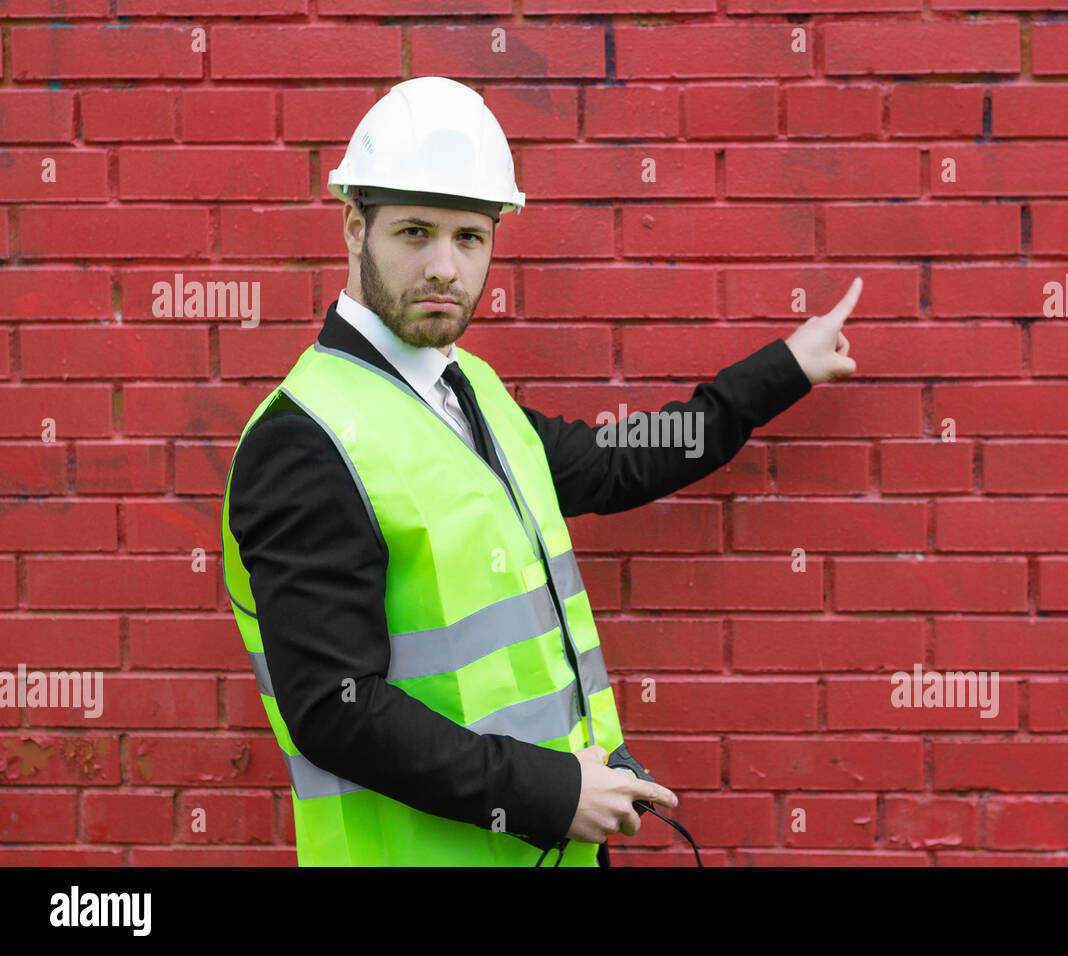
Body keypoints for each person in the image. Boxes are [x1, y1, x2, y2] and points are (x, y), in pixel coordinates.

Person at [220, 75, 859, 866]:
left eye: (470, 237)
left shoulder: (469, 388)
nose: (446, 268)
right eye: (415, 233)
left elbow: (612, 465)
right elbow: (335, 710)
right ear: (355, 227)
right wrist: (556, 793)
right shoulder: (306, 438)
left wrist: (781, 372)